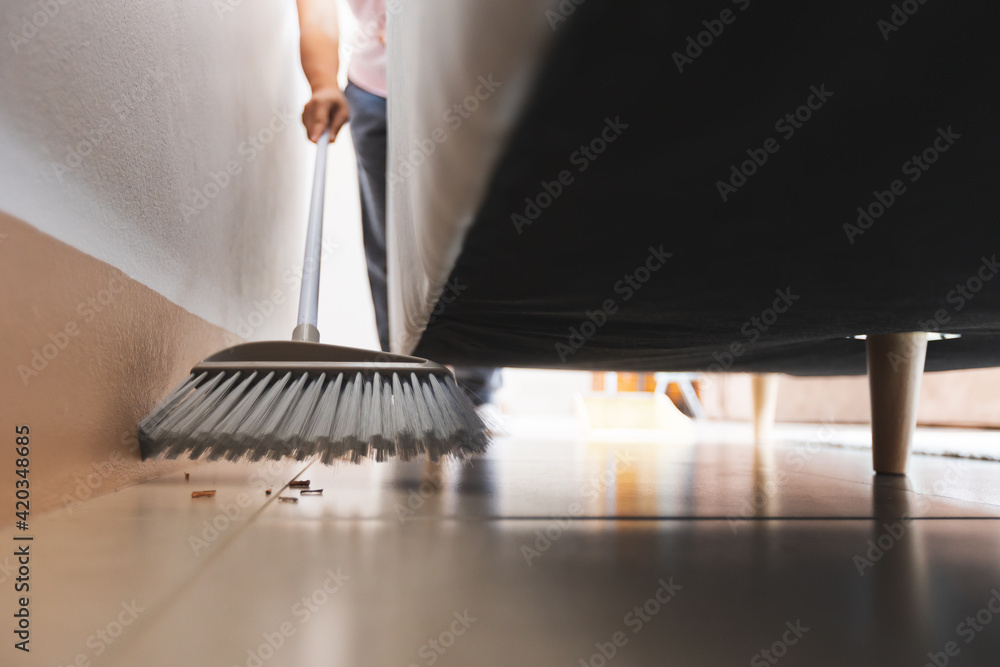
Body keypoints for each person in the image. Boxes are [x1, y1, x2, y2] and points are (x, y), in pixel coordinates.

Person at [295, 0, 500, 406]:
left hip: (459, 81)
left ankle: (477, 394)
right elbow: (317, 10)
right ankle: (407, 386)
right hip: (374, 93)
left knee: (468, 236)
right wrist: (323, 83)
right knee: (389, 243)